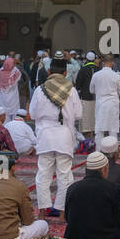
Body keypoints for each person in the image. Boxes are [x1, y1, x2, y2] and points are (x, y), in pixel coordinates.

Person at [30, 58, 82, 217]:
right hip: (64, 135)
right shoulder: (71, 90)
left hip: (45, 135)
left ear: (49, 72)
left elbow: (32, 114)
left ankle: (42, 212)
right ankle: (61, 212)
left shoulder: (40, 90)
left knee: (43, 175)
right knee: (64, 176)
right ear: (65, 73)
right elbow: (79, 114)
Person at [65, 151, 120, 239]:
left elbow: (68, 217)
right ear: (104, 169)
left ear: (87, 170)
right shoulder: (113, 189)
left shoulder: (72, 188)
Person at [91, 54, 120, 142]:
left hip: (100, 103)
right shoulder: (116, 76)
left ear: (103, 63)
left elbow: (91, 90)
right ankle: (113, 150)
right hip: (113, 104)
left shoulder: (96, 75)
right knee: (113, 129)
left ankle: (99, 151)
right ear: (112, 63)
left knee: (99, 129)